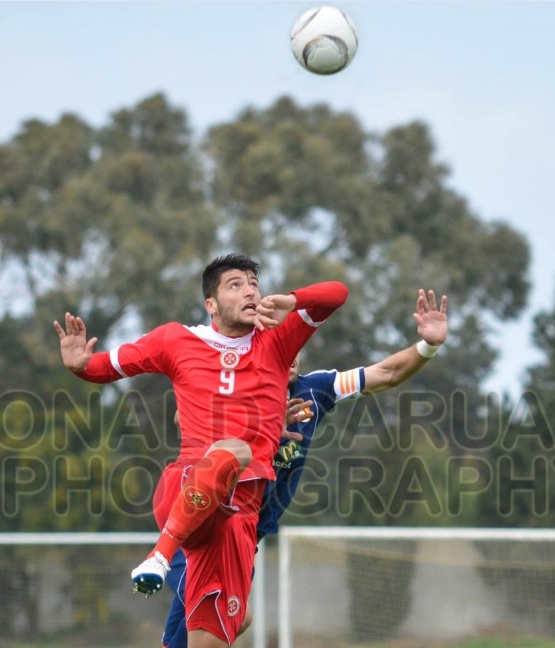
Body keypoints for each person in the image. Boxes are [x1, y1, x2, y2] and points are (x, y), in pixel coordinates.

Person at [54, 254, 347, 648]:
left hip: (240, 516)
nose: (250, 291)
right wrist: (79, 364)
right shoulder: (176, 340)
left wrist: (293, 300)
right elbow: (104, 366)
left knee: (217, 635)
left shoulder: (277, 340)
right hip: (185, 487)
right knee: (234, 450)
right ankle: (159, 555)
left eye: (253, 283)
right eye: (235, 285)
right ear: (211, 303)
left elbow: (337, 294)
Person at [161, 289, 449, 648]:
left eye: (290, 337)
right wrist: (259, 421)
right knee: (234, 619)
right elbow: (182, 417)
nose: (289, 349)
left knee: (188, 639)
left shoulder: (316, 390)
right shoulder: (232, 381)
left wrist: (429, 347)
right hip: (202, 529)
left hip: (245, 539)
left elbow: (386, 374)